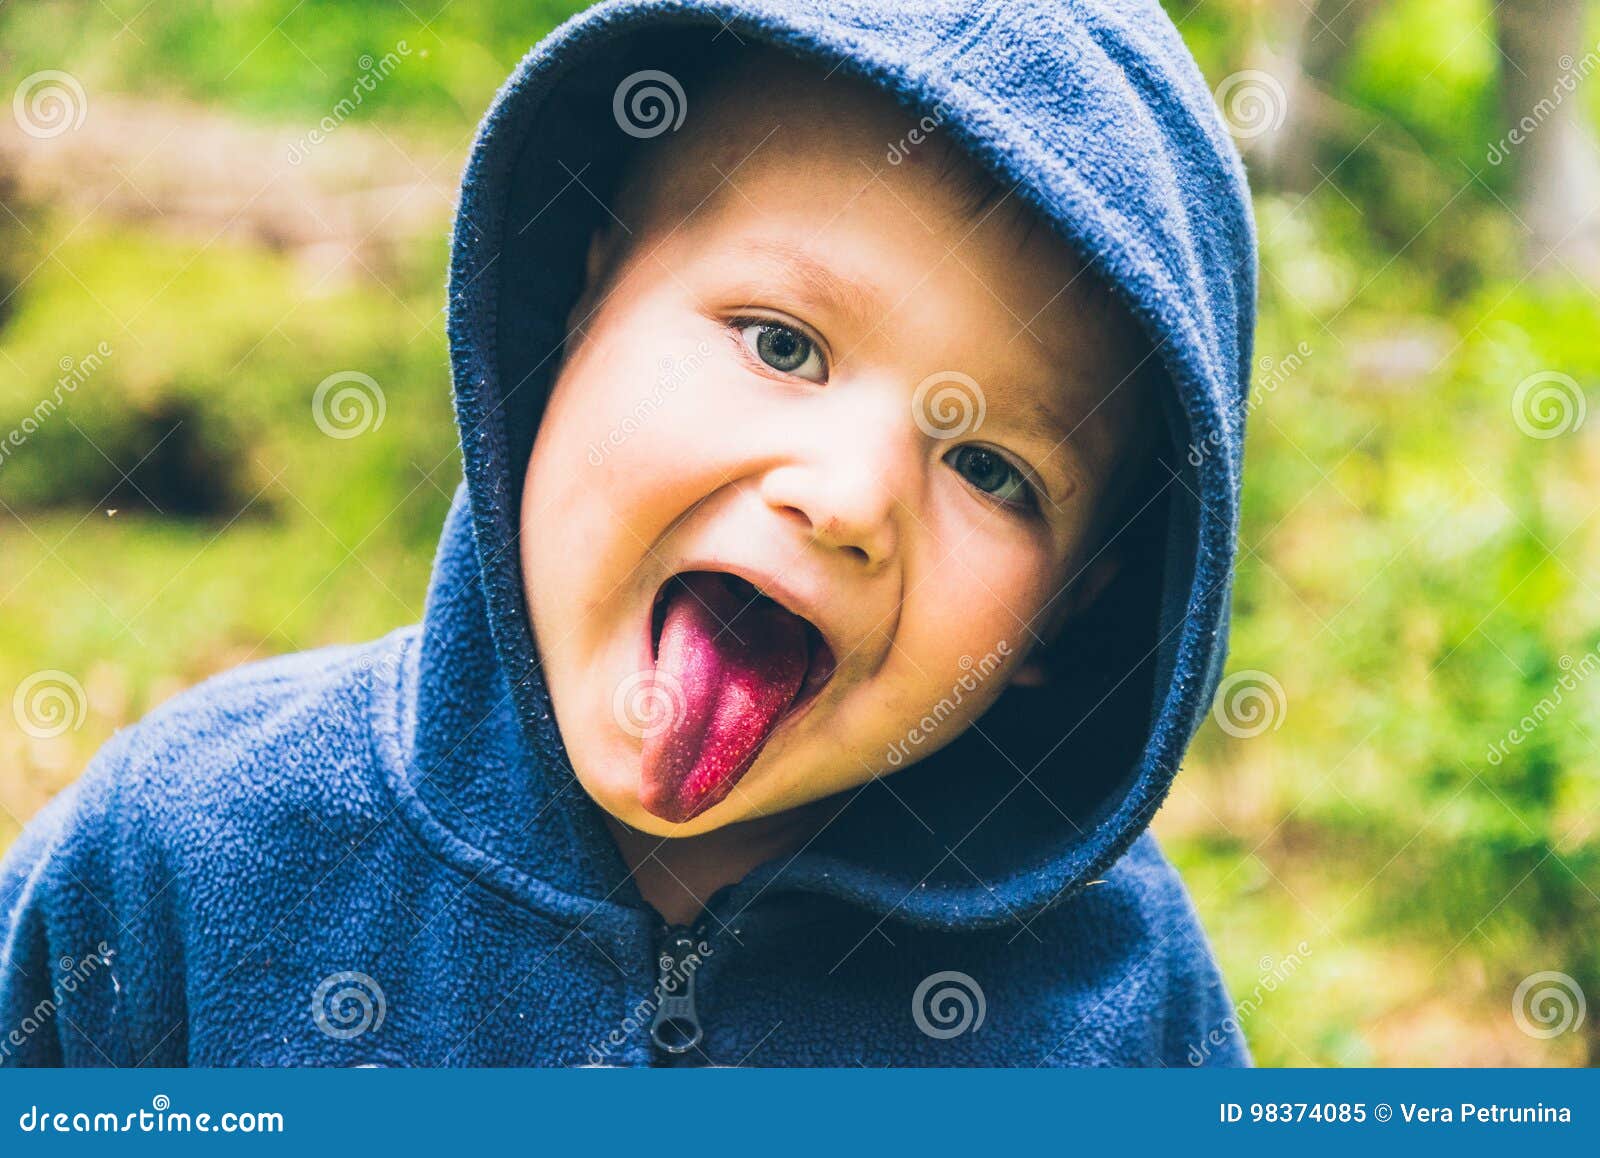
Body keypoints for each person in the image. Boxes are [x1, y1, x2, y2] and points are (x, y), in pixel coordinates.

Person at [0, 0, 1257, 1066]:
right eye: (782, 343)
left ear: (1073, 608)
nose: (847, 497)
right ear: (581, 304)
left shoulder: (1120, 1013)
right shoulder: (186, 851)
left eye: (990, 467)